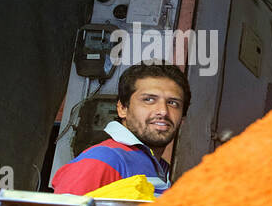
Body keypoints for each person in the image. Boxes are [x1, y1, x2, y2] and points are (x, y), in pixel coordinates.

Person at [50, 62, 190, 196]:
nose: (163, 111)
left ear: (182, 118)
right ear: (122, 108)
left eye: (173, 103)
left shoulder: (159, 168)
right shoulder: (100, 161)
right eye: (149, 100)